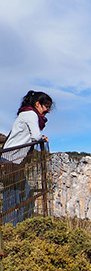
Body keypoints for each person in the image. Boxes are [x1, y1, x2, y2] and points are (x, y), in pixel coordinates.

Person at [1, 91, 54, 224]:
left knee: (21, 194)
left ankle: (17, 226)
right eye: (46, 106)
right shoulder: (30, 114)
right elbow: (36, 136)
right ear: (37, 104)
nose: (48, 110)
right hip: (11, 160)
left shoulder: (26, 114)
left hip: (13, 160)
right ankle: (11, 230)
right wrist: (41, 138)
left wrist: (40, 137)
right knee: (13, 197)